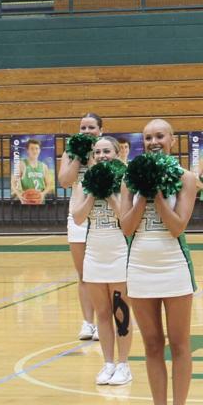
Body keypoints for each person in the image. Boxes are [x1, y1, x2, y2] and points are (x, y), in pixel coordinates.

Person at [120, 119, 199, 405]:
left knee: (179, 343)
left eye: (159, 136)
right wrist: (143, 195)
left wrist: (155, 194)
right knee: (152, 344)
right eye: (148, 137)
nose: (154, 141)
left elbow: (177, 226)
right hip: (139, 265)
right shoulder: (129, 179)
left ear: (172, 140)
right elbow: (126, 227)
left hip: (173, 265)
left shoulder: (186, 178)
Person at [70, 136, 134, 387]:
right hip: (94, 251)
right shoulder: (84, 181)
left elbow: (126, 217)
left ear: (117, 153)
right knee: (103, 313)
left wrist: (109, 194)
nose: (102, 155)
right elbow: (77, 217)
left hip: (118, 249)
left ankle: (124, 364)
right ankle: (108, 363)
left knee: (121, 312)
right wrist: (92, 193)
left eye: (107, 151)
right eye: (97, 152)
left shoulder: (126, 179)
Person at [58, 114, 103, 341]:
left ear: (100, 130)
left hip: (102, 217)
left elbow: (103, 177)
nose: (86, 131)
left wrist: (92, 156)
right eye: (83, 127)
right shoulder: (70, 152)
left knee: (103, 272)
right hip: (77, 218)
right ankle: (88, 323)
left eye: (91, 127)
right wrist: (77, 156)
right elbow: (65, 181)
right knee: (83, 274)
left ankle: (106, 321)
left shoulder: (105, 150)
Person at [12, 138, 55, 204]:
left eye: (37, 148)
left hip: (39, 199)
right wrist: (19, 195)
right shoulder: (22, 164)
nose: (34, 151)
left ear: (40, 150)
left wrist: (43, 194)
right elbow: (13, 183)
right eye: (32, 149)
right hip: (26, 198)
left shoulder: (44, 166)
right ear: (27, 150)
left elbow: (48, 184)